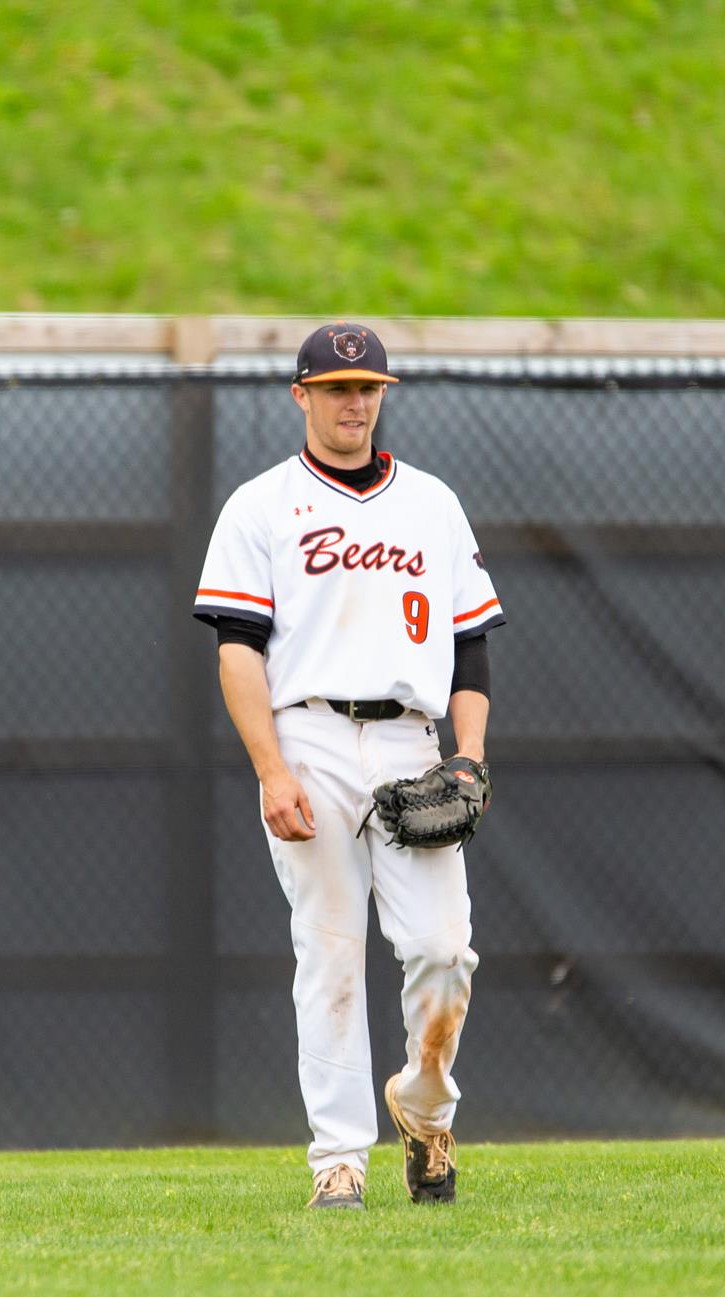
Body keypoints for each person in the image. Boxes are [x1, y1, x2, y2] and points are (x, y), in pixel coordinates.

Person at [192, 322, 505, 1209]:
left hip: (412, 738)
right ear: (302, 396)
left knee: (446, 950)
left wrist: (470, 757)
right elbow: (238, 649)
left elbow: (471, 646)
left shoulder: (433, 505)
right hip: (311, 736)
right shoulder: (261, 506)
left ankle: (425, 1110)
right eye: (336, 387)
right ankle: (339, 1156)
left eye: (368, 386)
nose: (354, 401)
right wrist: (271, 769)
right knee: (330, 953)